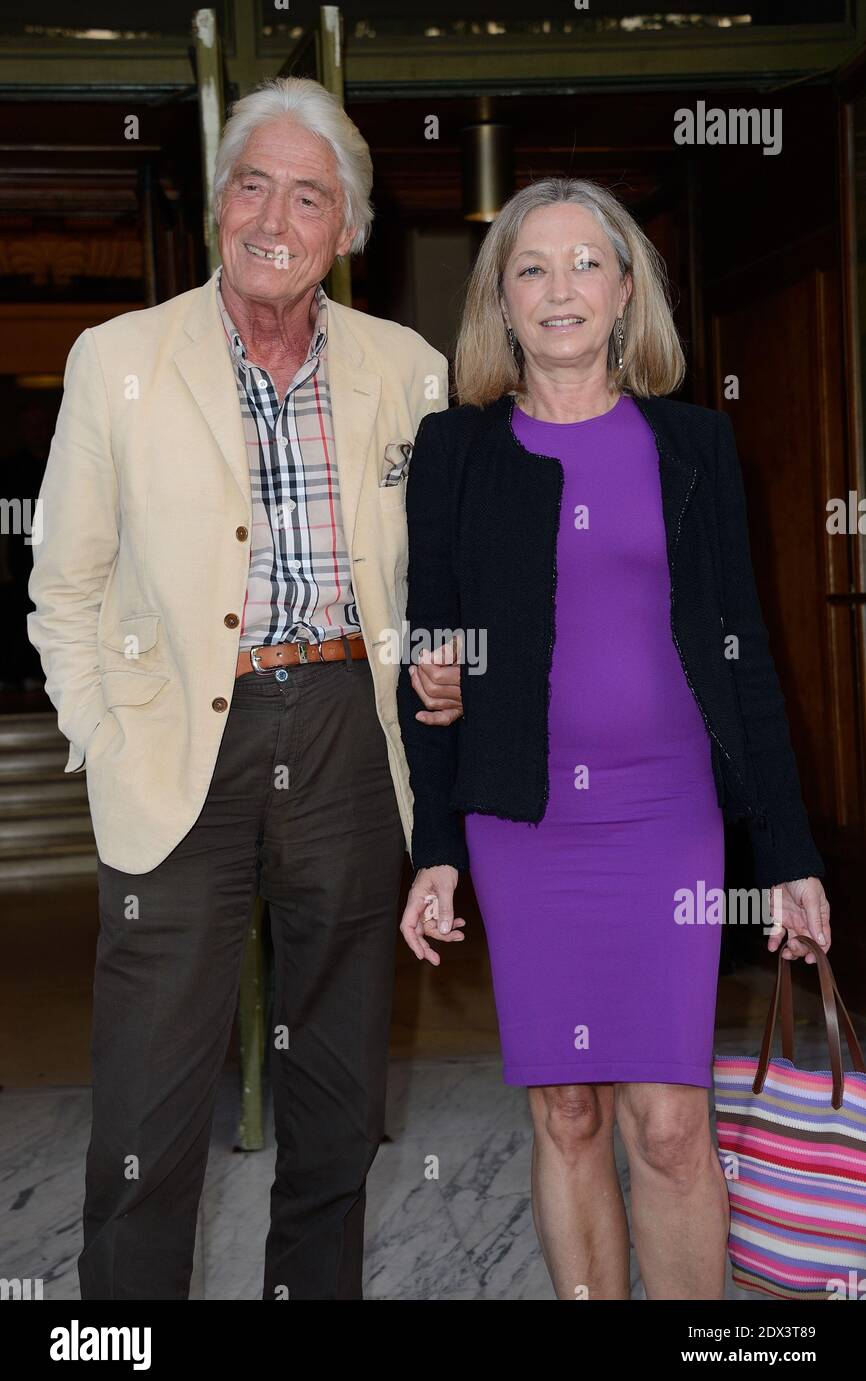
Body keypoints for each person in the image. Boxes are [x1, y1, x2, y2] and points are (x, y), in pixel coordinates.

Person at [28, 76, 461, 1302]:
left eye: (307, 194)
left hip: (342, 739)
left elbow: (447, 571)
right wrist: (107, 741)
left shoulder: (408, 368)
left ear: (348, 228)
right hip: (179, 747)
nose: (274, 213)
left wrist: (445, 657)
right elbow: (63, 586)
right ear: (220, 202)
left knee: (334, 1103)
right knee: (146, 1114)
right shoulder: (116, 358)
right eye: (251, 183)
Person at [396, 177, 831, 1300]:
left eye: (585, 263)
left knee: (672, 1122)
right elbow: (428, 659)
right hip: (522, 819)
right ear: (498, 299)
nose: (558, 289)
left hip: (666, 815)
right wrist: (433, 845)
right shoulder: (453, 451)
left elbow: (745, 650)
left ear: (627, 290)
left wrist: (786, 854)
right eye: (529, 267)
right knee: (567, 1107)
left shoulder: (691, 444)